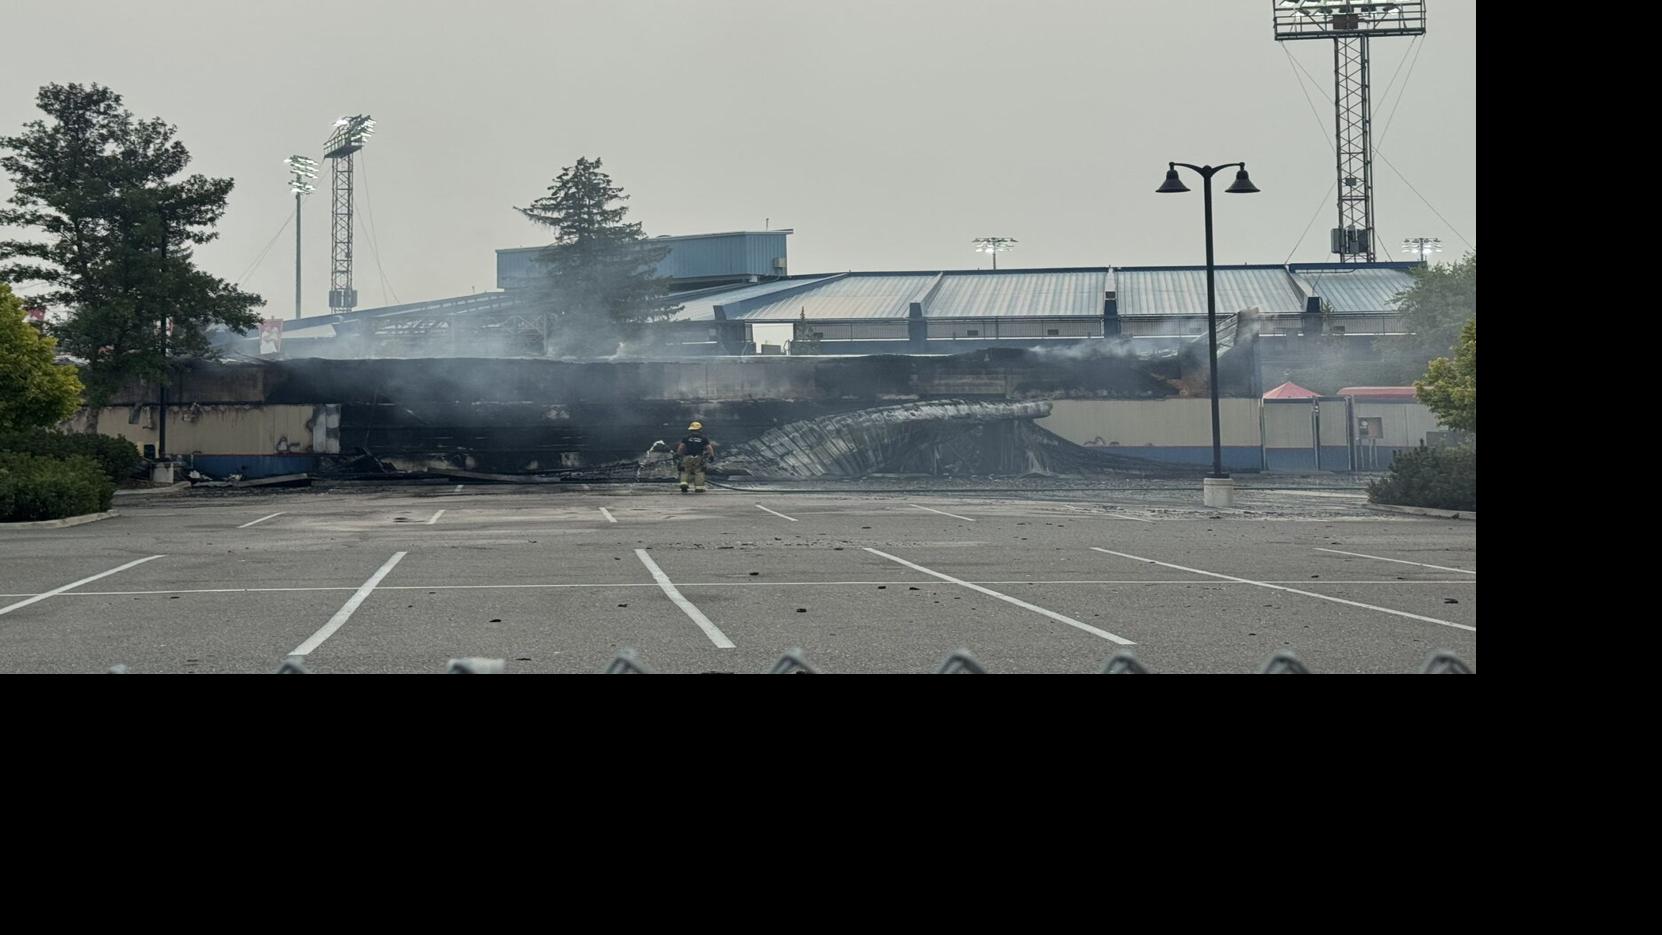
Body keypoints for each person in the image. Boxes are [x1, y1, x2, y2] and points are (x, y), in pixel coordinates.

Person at [675, 421, 716, 493]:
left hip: (687, 457)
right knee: (699, 472)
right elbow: (709, 448)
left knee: (685, 470)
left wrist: (677, 454)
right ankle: (699, 488)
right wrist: (711, 456)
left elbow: (681, 447)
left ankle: (684, 483)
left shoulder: (686, 438)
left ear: (690, 430)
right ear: (700, 430)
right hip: (699, 458)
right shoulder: (703, 438)